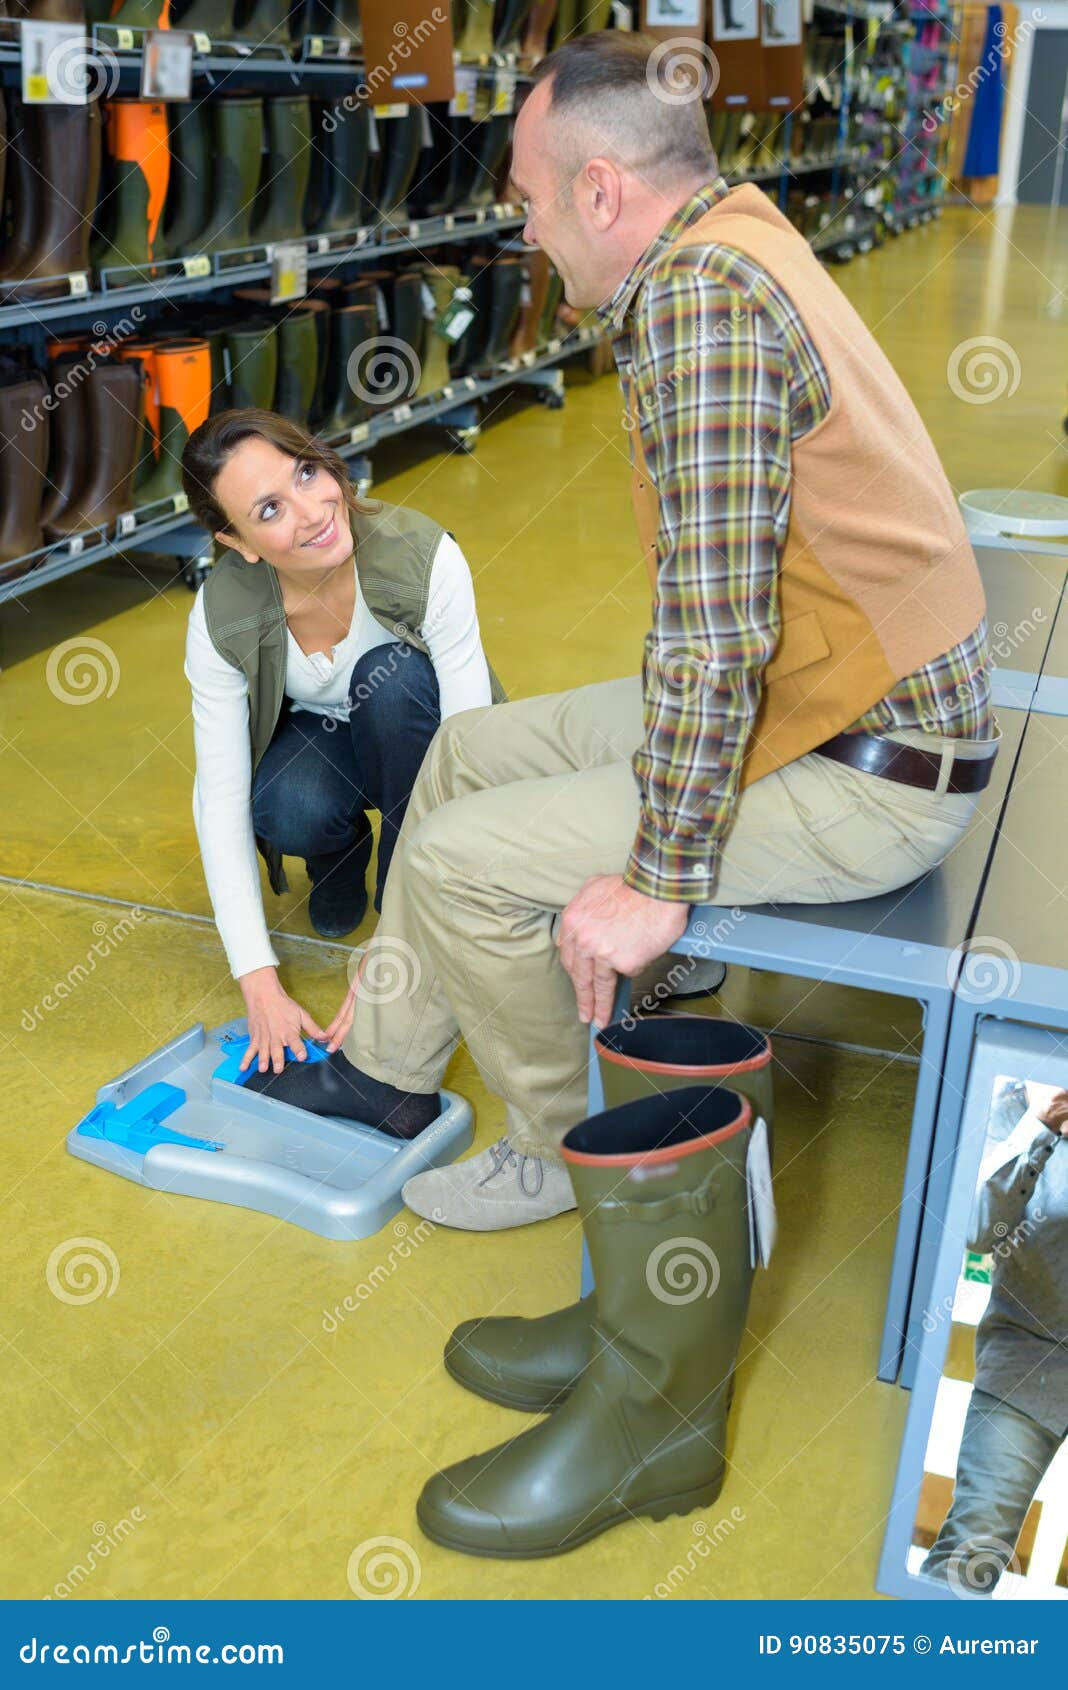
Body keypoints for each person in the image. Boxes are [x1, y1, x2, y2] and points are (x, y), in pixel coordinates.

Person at [244, 32, 999, 1227]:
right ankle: (384, 1068)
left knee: (457, 861)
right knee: (467, 755)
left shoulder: (704, 304)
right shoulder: (735, 230)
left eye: (534, 203)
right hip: (834, 701)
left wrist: (662, 877)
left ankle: (565, 1153)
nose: (528, 235)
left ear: (602, 189)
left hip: (873, 770)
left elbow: (716, 635)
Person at [181, 409, 503, 1087]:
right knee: (285, 807)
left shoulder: (423, 554)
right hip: (328, 737)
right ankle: (340, 849)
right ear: (235, 540)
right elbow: (220, 799)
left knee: (390, 685)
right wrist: (258, 984)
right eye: (269, 509)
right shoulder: (220, 617)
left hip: (430, 740)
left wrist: (396, 950)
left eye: (306, 472)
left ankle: (394, 878)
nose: (312, 511)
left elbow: (469, 758)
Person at [920, 1086, 1068, 1591]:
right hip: (1028, 1359)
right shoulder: (1018, 1099)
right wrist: (1042, 1121)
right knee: (971, 1555)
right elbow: (975, 1229)